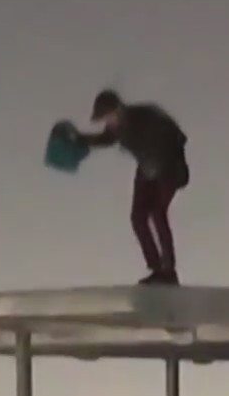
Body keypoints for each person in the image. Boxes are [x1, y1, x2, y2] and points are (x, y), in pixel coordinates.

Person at [70, 89, 189, 285]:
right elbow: (107, 139)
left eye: (108, 117)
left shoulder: (146, 116)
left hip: (168, 167)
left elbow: (177, 137)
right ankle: (157, 269)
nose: (108, 123)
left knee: (158, 214)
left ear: (118, 109)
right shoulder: (118, 127)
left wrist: (167, 163)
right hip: (146, 169)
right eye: (104, 120)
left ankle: (169, 271)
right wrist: (82, 139)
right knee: (138, 217)